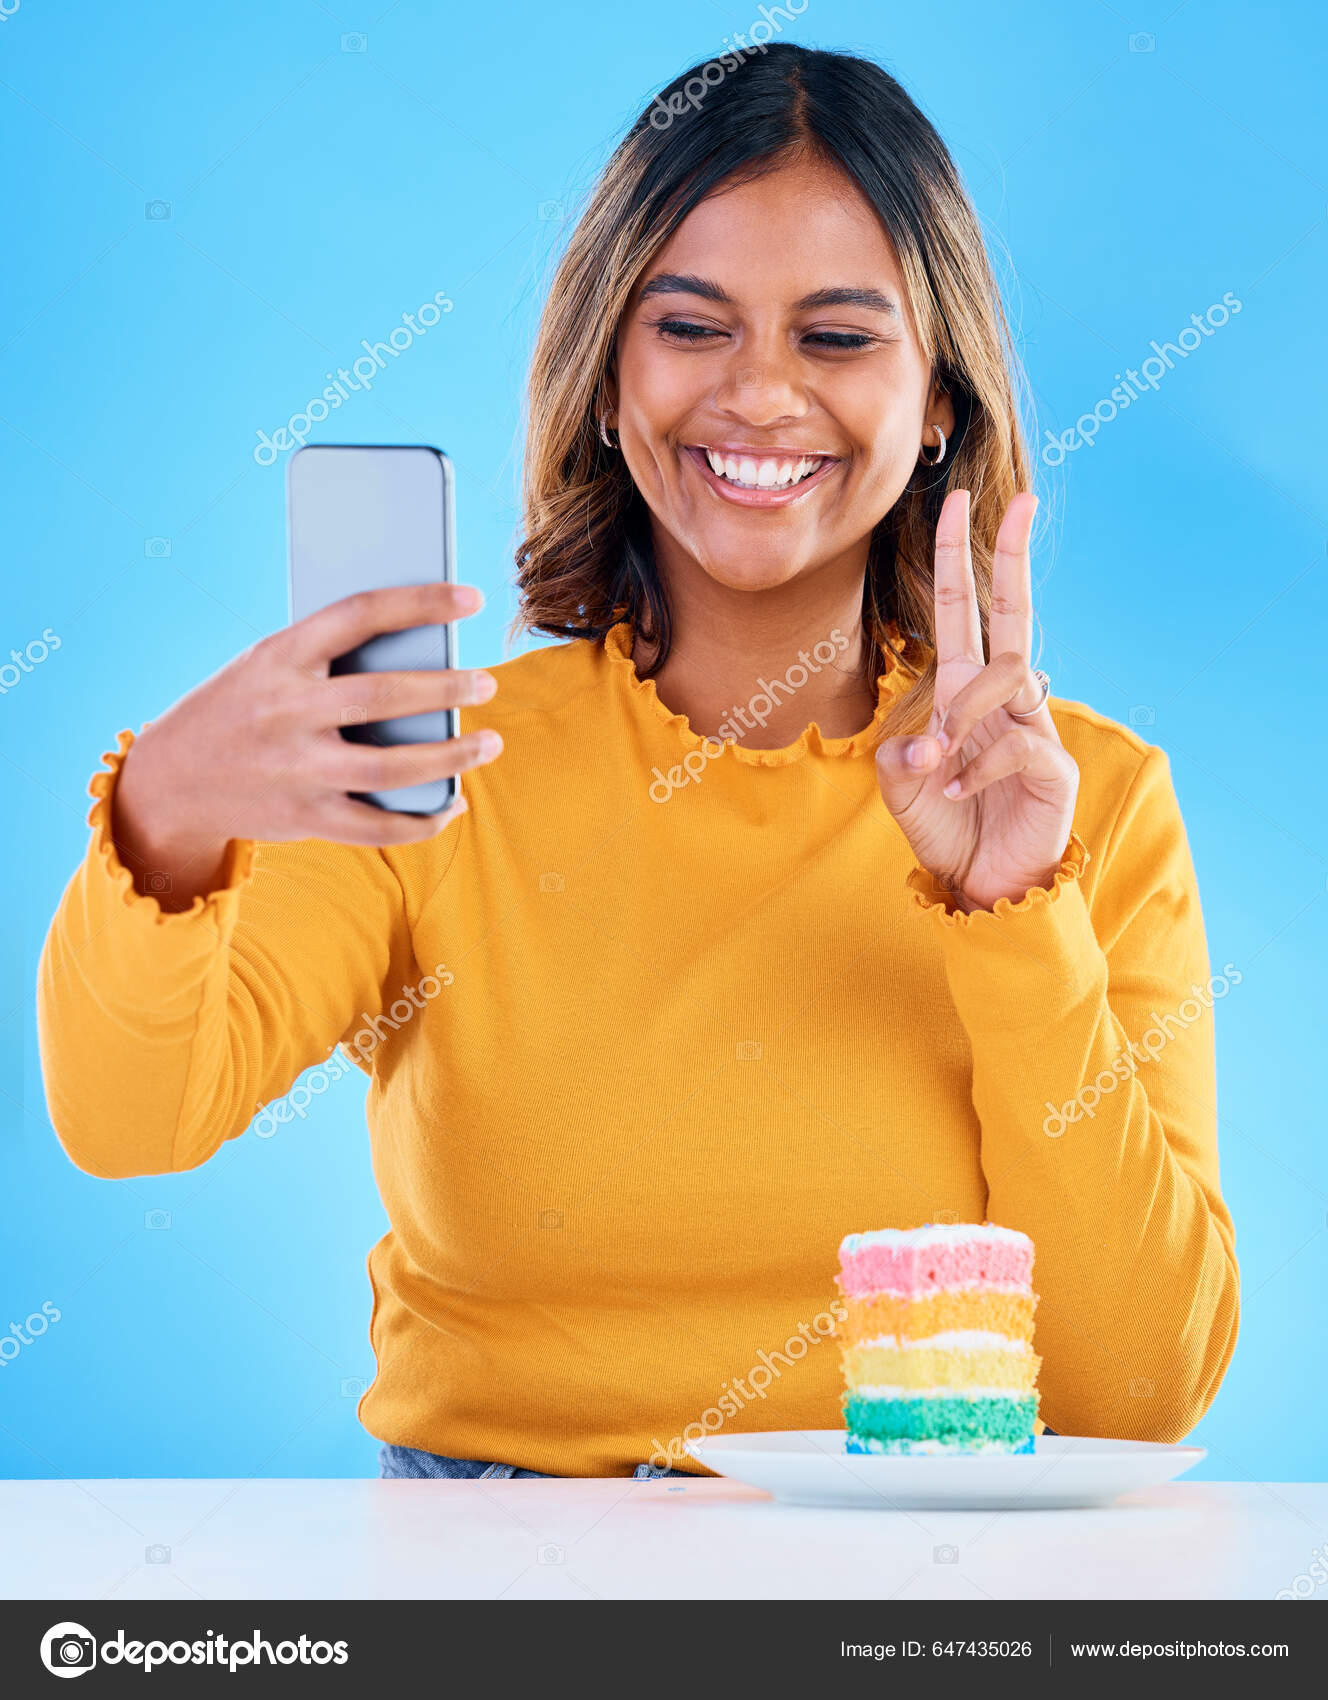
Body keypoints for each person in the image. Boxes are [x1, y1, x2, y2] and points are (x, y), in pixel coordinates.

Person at [38, 45, 1237, 1480]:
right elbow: (130, 1125)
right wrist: (163, 818)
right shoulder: (439, 760)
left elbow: (1139, 1390)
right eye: (691, 325)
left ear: (937, 407)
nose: (762, 394)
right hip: (490, 1561)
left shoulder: (1087, 804)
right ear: (609, 378)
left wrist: (1014, 916)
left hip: (906, 1568)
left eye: (837, 337)